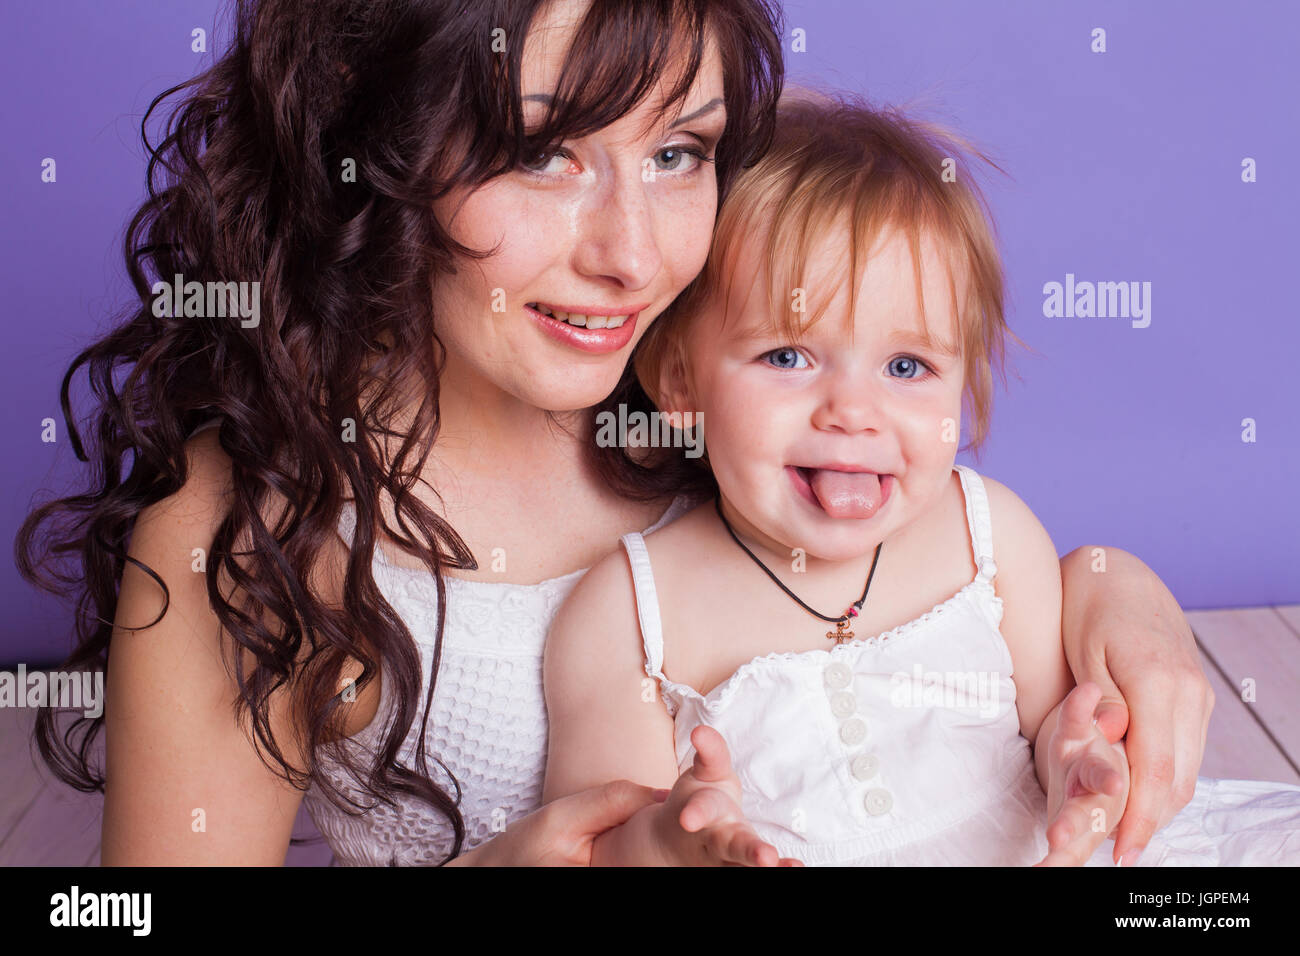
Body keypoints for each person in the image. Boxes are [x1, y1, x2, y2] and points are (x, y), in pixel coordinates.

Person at [17, 0, 1212, 867]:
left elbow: (937, 576)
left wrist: (1117, 590)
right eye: (542, 153)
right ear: (372, 143)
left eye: (678, 152)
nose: (633, 256)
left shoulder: (716, 366)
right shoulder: (261, 522)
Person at [543, 90, 1300, 866]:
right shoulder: (633, 616)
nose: (852, 412)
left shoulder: (988, 536)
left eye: (907, 366)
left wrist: (1081, 767)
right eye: (787, 357)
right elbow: (591, 842)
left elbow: (1052, 727)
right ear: (680, 383)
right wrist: (673, 841)